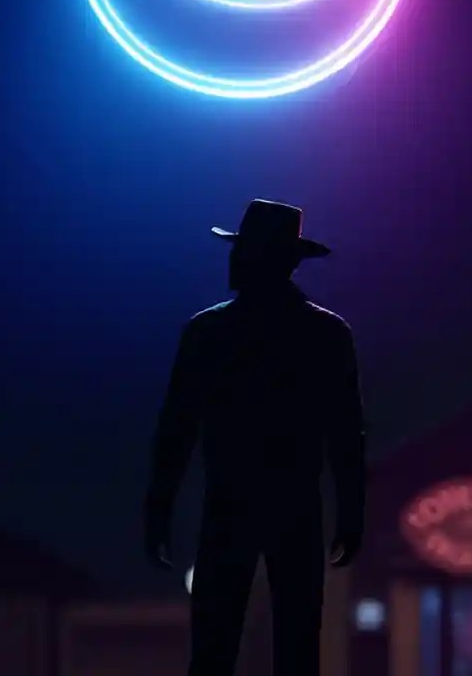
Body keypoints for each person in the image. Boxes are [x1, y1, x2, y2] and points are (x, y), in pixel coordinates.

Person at [144, 199, 366, 676]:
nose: (234, 260)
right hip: (294, 504)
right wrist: (351, 512)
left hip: (230, 502)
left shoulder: (208, 332)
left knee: (214, 645)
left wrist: (158, 510)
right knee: (295, 645)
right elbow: (346, 433)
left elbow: (177, 429)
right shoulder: (326, 334)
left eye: (243, 250)